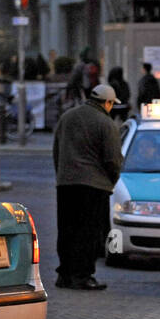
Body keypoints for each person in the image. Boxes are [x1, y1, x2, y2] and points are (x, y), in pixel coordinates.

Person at [52, 83, 122, 291]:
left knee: (67, 230)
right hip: (94, 186)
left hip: (66, 184)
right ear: (108, 102)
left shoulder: (67, 117)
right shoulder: (106, 123)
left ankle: (64, 274)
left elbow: (57, 150)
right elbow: (113, 159)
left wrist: (62, 174)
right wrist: (111, 180)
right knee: (89, 232)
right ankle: (83, 275)